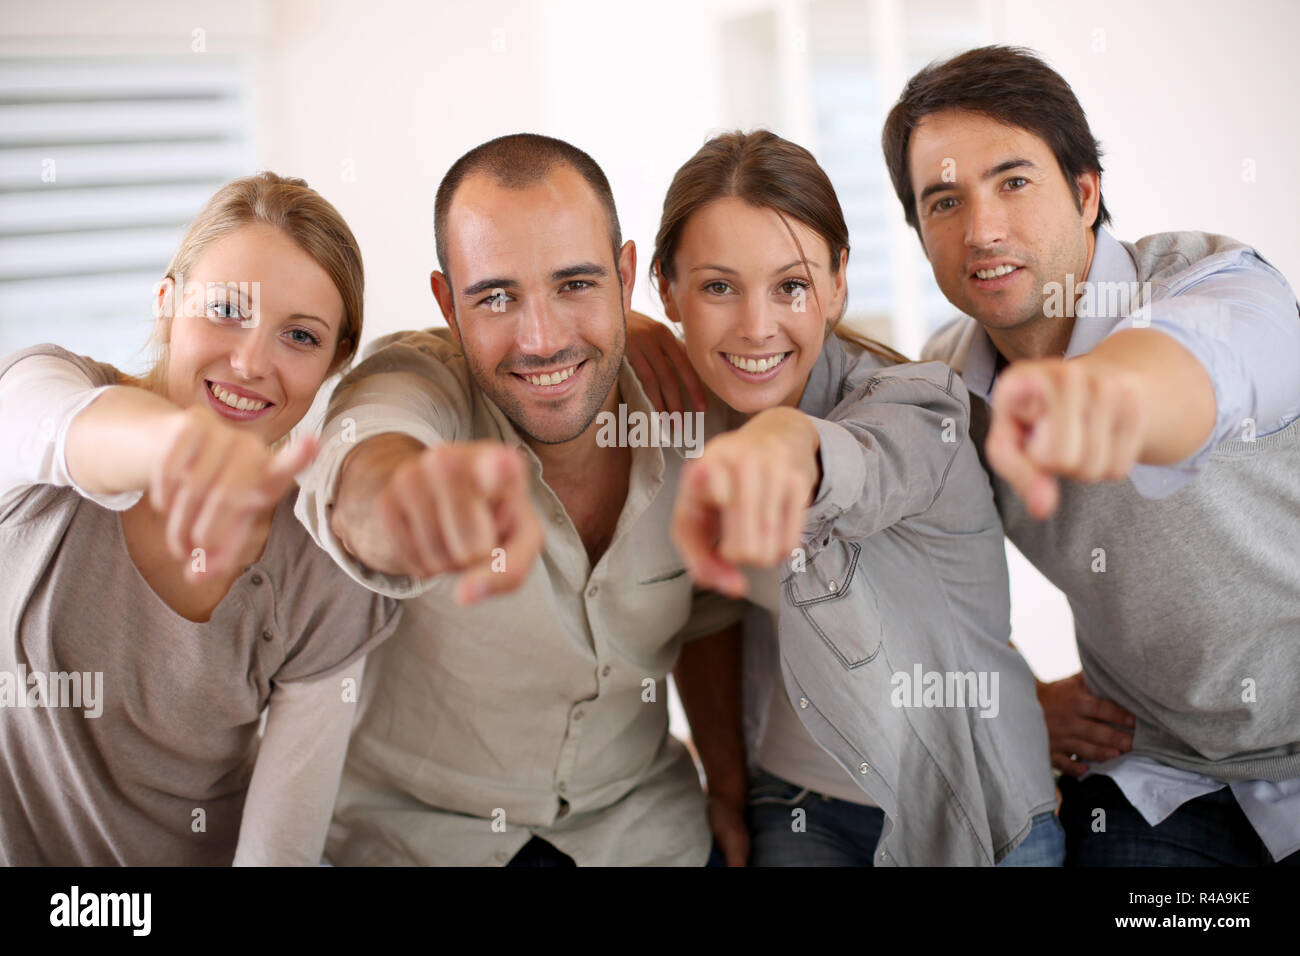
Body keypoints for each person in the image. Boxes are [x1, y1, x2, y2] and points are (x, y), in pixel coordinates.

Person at [883, 45, 1300, 865]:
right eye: (945, 201)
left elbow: (1203, 362)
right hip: (1159, 772)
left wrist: (1100, 391)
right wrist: (1019, 695)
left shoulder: (1219, 283)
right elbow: (912, 575)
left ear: (1084, 193)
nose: (982, 230)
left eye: (1013, 182)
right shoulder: (945, 386)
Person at [293, 133, 745, 867]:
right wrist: (412, 504)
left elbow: (708, 618)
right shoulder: (418, 381)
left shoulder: (692, 411)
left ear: (625, 276)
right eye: (497, 297)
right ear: (449, 304)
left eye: (576, 285)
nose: (541, 339)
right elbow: (363, 462)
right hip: (423, 841)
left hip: (643, 831)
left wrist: (727, 786)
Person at [631, 129, 1060, 865]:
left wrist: (785, 441)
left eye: (791, 286)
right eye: (718, 287)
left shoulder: (919, 404)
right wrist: (726, 790)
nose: (757, 327)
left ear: (837, 284)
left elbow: (865, 465)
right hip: (795, 805)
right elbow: (707, 614)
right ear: (667, 290)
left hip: (974, 816)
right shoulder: (676, 428)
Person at [0, 171, 401, 865]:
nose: (250, 362)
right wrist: (178, 450)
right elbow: (63, 430)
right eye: (225, 310)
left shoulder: (324, 566)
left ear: (336, 360)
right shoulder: (43, 386)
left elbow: (278, 850)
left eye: (299, 336)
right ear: (167, 305)